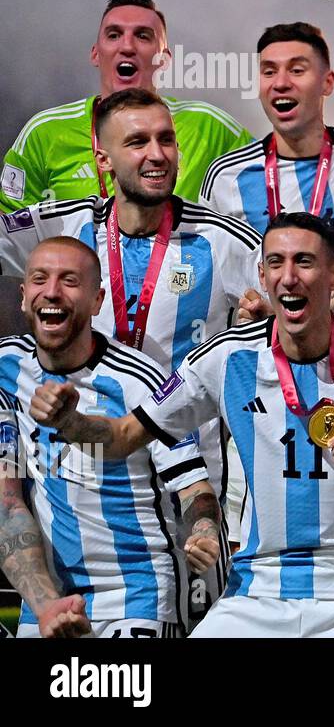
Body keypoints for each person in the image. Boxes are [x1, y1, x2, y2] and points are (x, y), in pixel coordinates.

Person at [28, 213, 334, 636]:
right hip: (257, 591)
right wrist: (73, 423)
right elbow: (122, 437)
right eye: (275, 263)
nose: (288, 277)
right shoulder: (225, 357)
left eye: (304, 262)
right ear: (261, 274)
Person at [0, 89, 262, 618]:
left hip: (190, 483)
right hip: (85, 483)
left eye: (166, 139)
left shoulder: (220, 236)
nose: (157, 154)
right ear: (103, 159)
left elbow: (295, 285)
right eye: (137, 141)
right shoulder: (59, 227)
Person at [1, 237, 220, 637]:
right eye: (39, 279)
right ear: (22, 296)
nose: (51, 291)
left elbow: (193, 488)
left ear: (97, 299)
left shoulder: (140, 378)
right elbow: (6, 503)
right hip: (46, 600)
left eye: (69, 281)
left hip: (138, 595)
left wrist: (203, 529)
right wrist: (45, 604)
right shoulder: (6, 367)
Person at [0, 0, 250, 213]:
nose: (127, 46)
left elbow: (268, 190)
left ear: (164, 59)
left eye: (142, 36)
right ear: (96, 53)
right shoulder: (46, 133)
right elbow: (10, 231)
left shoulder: (209, 128)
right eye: (114, 35)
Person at [199, 23, 334, 235]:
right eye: (269, 71)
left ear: (327, 83)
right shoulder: (226, 178)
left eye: (297, 70)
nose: (281, 82)